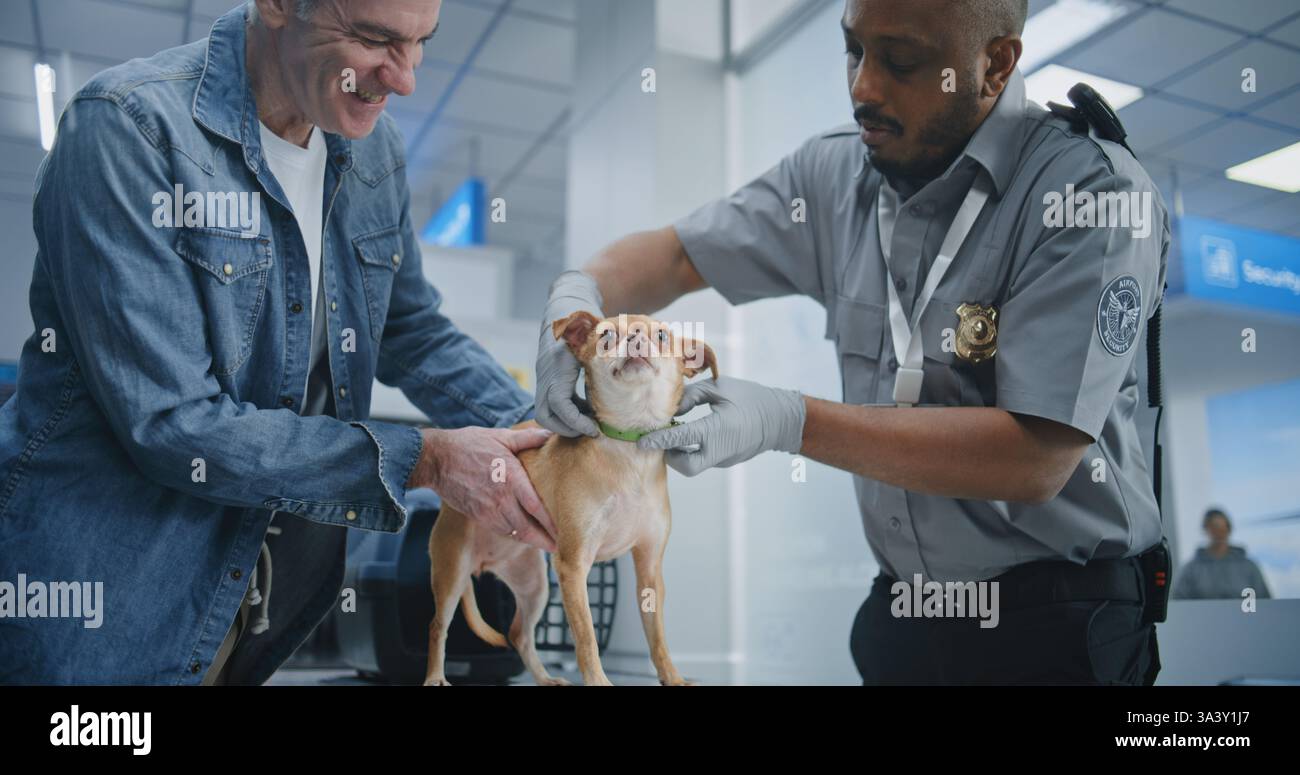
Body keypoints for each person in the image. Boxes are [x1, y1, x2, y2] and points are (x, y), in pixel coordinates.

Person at [536, 0, 1169, 685]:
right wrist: (577, 293)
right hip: (899, 621)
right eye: (852, 51)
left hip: (1057, 631)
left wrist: (790, 420)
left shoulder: (1086, 193)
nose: (864, 87)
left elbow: (1036, 457)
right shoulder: (837, 177)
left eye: (900, 61)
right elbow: (677, 256)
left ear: (993, 65)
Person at [0, 0, 556, 685]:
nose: (405, 79)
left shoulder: (373, 153)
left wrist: (547, 433)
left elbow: (410, 329)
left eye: (420, 44)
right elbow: (172, 424)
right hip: (106, 607)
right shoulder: (127, 130)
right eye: (375, 38)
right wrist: (429, 460)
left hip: (253, 605)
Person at [1172, 509, 1272, 600]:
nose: (1219, 533)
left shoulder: (1249, 568)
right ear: (1206, 529)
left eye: (1222, 528)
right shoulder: (1191, 570)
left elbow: (1265, 603)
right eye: (1214, 527)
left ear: (1229, 529)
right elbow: (1179, 602)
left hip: (1243, 620)